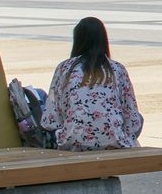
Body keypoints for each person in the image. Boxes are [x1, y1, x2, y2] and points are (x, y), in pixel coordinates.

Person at [43, 16, 144, 151]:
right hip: (114, 141)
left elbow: (52, 117)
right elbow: (131, 117)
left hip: (72, 142)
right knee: (138, 118)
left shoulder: (64, 68)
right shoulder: (117, 68)